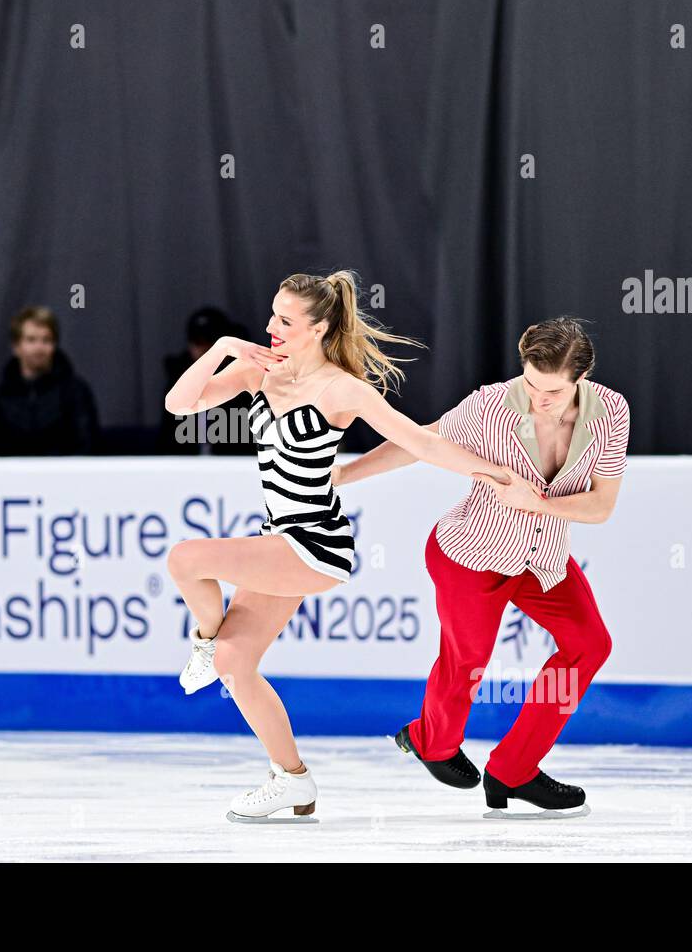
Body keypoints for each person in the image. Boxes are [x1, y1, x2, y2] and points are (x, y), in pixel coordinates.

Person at [163, 270, 538, 823]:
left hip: (315, 544)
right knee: (236, 664)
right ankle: (292, 780)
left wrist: (496, 474)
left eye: (286, 322)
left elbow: (423, 442)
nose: (271, 328)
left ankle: (201, 638)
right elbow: (178, 404)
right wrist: (222, 348)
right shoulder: (257, 372)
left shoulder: (342, 389)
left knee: (185, 558)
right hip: (278, 538)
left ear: (318, 328)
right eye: (272, 315)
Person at [334, 317, 630, 816]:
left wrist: (537, 504)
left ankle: (513, 770)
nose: (539, 397)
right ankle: (431, 742)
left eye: (553, 391)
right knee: (467, 660)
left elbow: (601, 507)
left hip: (542, 558)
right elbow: (419, 441)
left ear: (581, 378)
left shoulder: (611, 412)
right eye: (532, 383)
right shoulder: (491, 404)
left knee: (590, 644)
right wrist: (344, 473)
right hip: (472, 554)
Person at [0, 306, 98, 456]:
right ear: (16, 347)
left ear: (54, 345)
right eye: (31, 340)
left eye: (46, 340)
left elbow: (87, 447)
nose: (39, 348)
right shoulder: (2, 395)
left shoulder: (75, 391)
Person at [158, 307, 254, 455]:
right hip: (186, 467)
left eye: (210, 341)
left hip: (236, 465)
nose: (203, 348)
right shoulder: (178, 379)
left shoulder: (247, 376)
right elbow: (168, 437)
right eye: (197, 341)